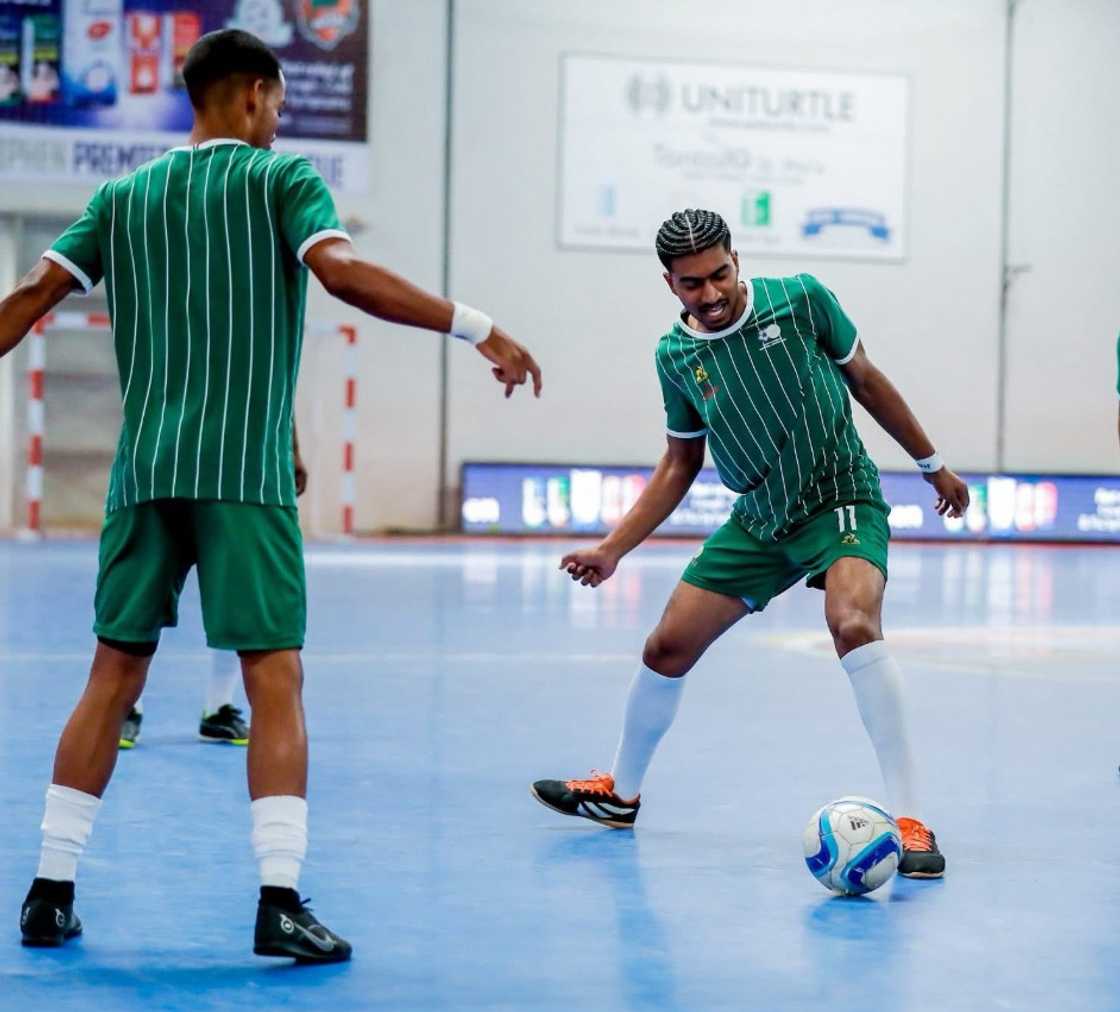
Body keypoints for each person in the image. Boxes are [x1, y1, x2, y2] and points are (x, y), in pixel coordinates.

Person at [1, 28, 540, 960]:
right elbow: (344, 277)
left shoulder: (122, 199)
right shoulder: (282, 181)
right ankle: (279, 901)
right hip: (239, 479)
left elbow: (31, 298)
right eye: (281, 104)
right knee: (274, 678)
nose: (280, 118)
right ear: (253, 94)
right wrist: (477, 327)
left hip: (143, 474)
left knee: (110, 675)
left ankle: (49, 891)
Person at [531, 209, 966, 879]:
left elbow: (868, 381)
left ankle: (909, 818)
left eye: (718, 275)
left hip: (840, 496)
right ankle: (620, 795)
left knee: (852, 623)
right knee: (665, 647)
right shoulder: (675, 357)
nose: (707, 294)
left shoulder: (801, 301)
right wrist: (614, 548)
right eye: (689, 283)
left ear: (738, 259)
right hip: (760, 518)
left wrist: (931, 462)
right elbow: (679, 463)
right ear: (668, 283)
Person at [118, 428, 308, 749]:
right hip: (164, 468)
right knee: (142, 597)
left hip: (237, 473)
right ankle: (126, 705)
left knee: (240, 597)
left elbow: (276, 381)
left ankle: (218, 708)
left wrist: (293, 447)